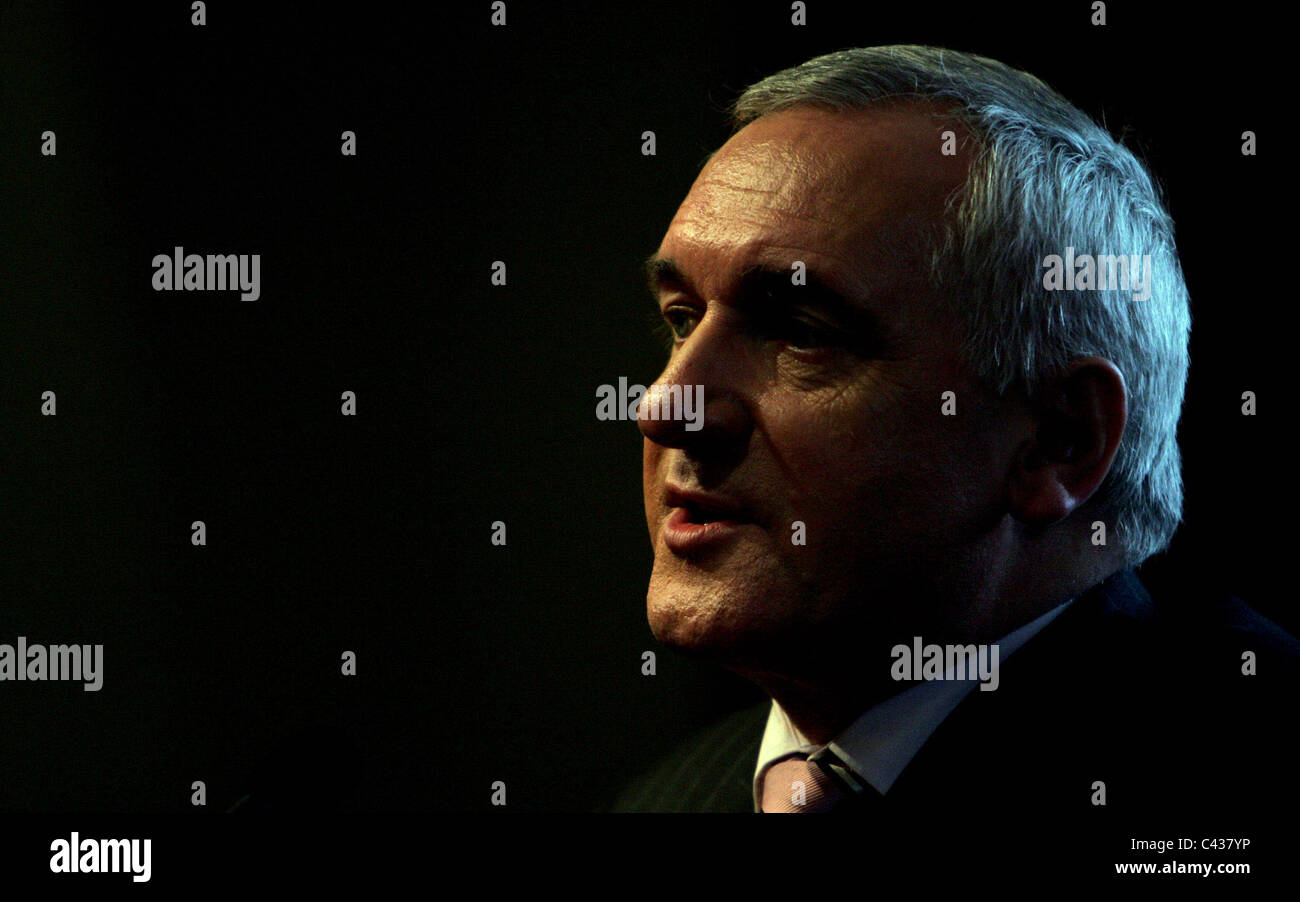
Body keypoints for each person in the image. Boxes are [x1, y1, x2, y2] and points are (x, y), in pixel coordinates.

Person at [615, 45, 1298, 817]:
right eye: (681, 320)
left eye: (800, 332)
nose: (665, 407)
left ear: (1058, 440)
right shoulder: (671, 797)